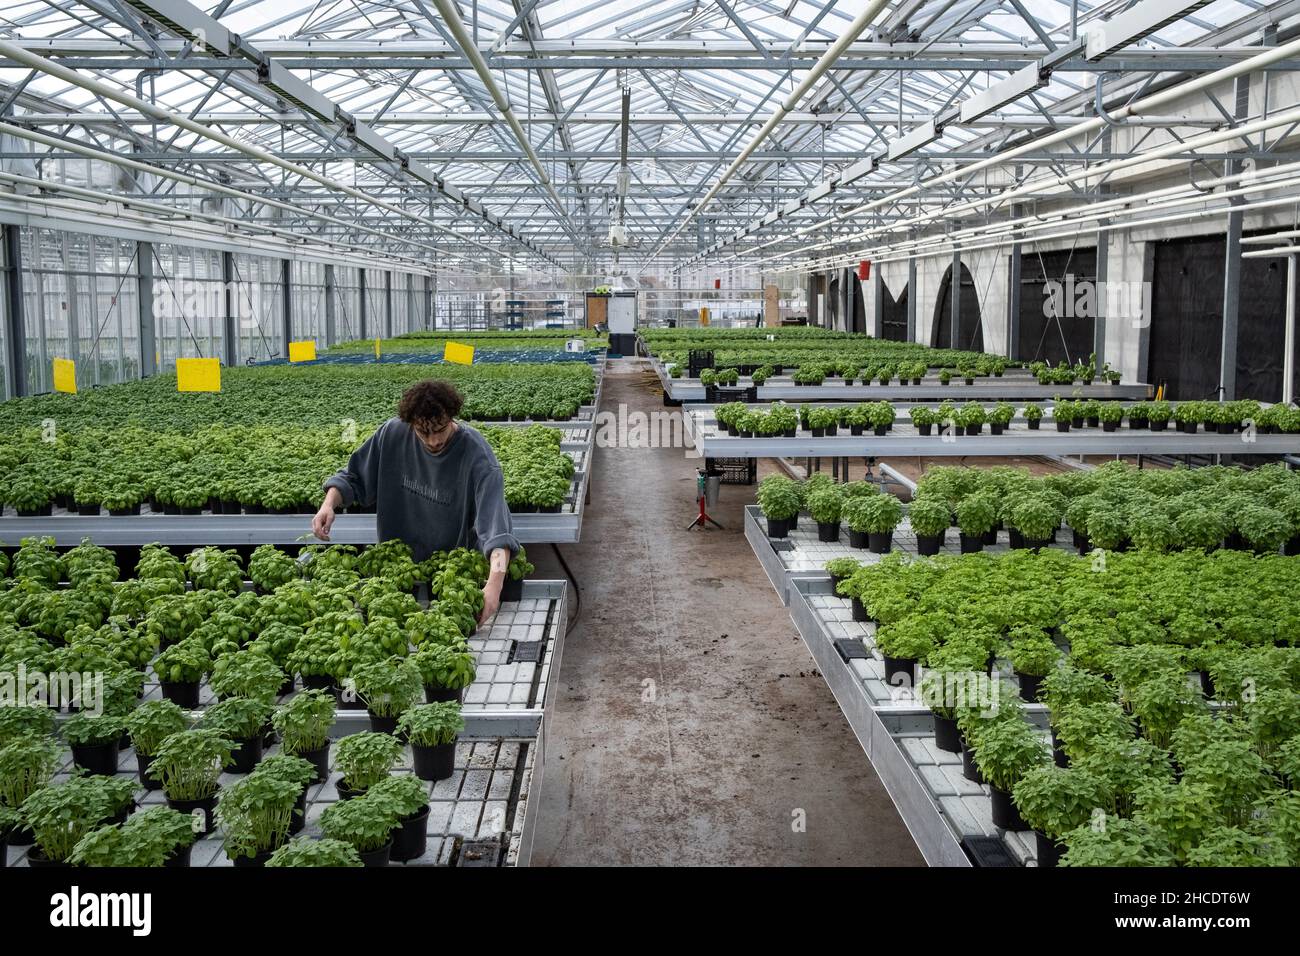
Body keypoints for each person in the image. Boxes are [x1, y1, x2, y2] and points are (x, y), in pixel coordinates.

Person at [312, 379, 519, 625]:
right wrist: (328, 504)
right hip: (396, 568)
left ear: (452, 417)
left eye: (440, 430)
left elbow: (497, 531)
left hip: (451, 575)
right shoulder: (392, 434)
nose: (433, 441)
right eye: (423, 432)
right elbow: (353, 476)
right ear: (410, 423)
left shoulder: (477, 456)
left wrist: (494, 585)